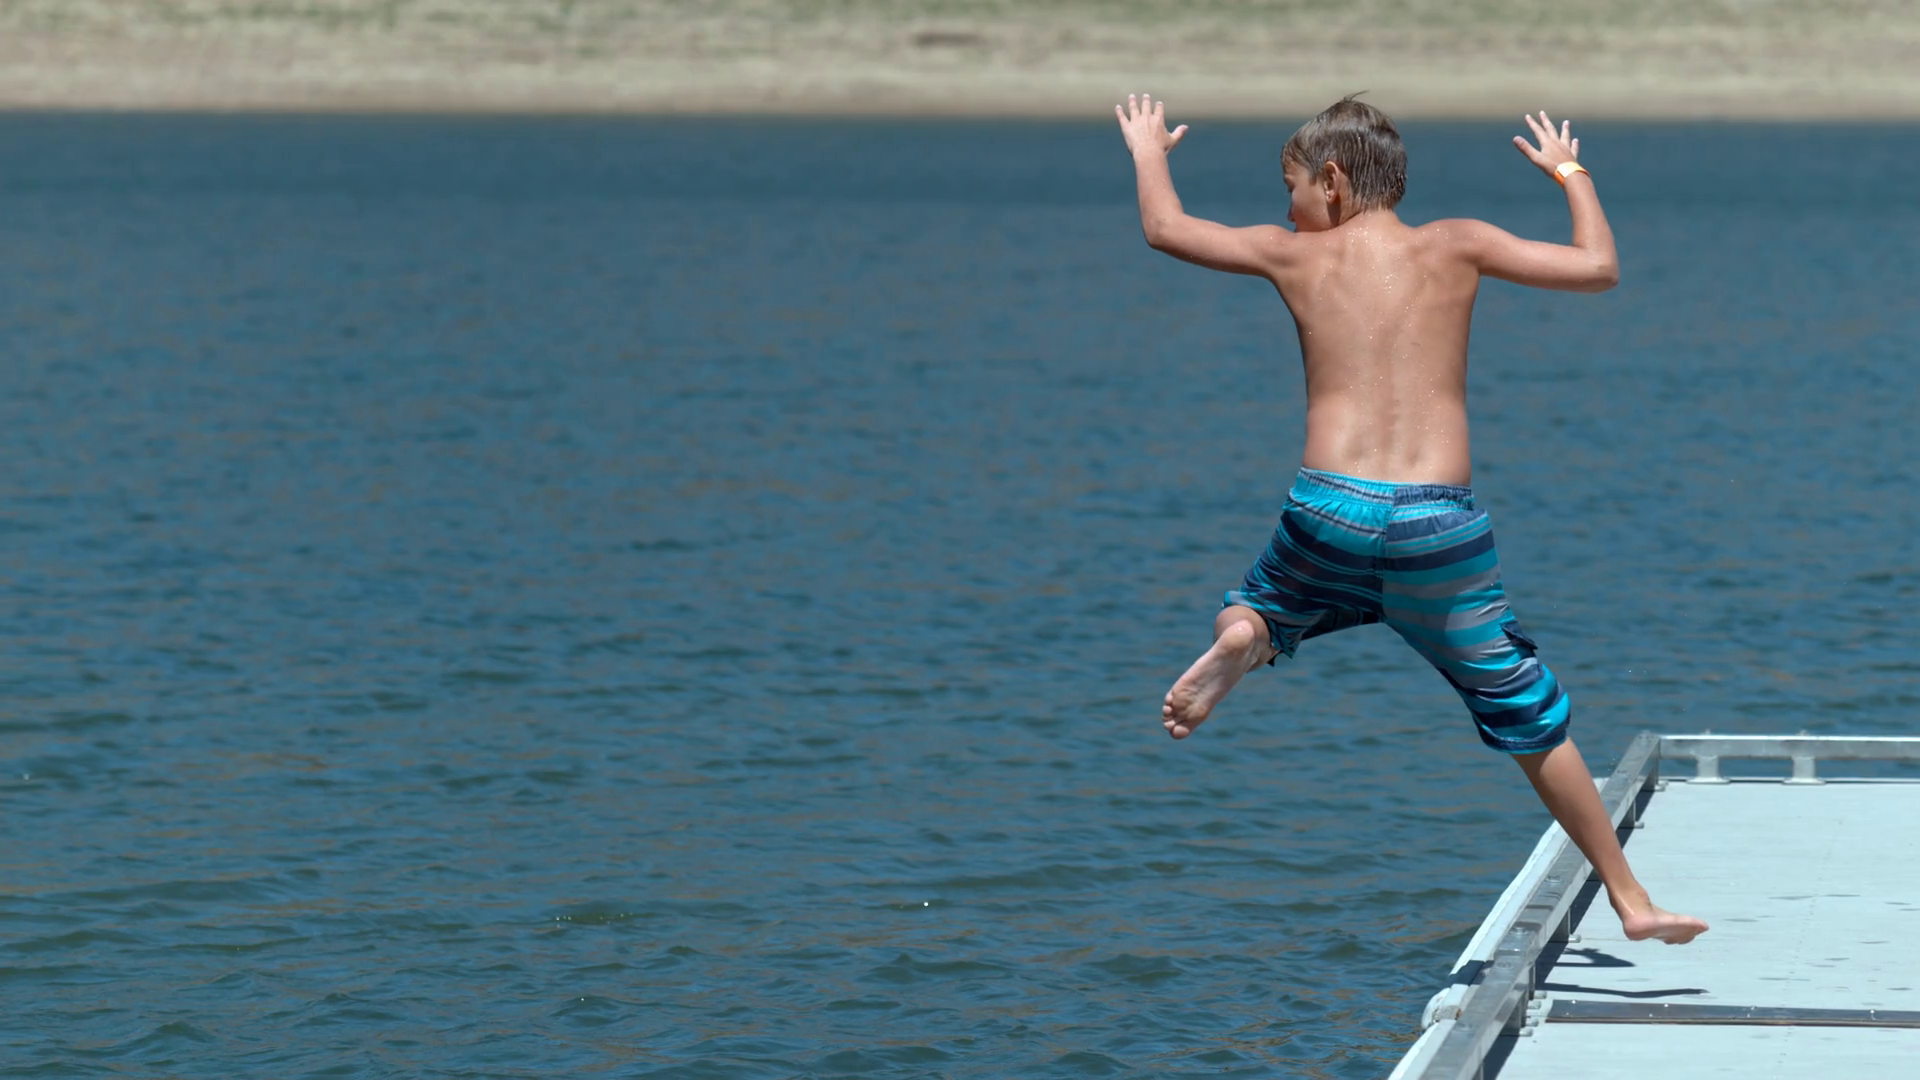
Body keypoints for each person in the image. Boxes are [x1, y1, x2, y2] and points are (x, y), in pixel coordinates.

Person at [1115, 93, 1707, 945]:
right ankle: (1630, 898)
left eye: (1288, 187)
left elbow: (1167, 229)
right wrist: (1570, 172)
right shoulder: (1456, 243)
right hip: (1439, 529)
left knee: (1262, 604)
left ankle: (1248, 638)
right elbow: (1598, 267)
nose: (1285, 208)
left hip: (1329, 509)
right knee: (1530, 719)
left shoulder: (1290, 256)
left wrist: (1146, 149)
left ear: (1330, 181)